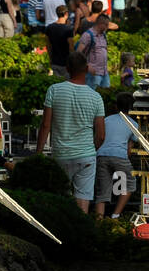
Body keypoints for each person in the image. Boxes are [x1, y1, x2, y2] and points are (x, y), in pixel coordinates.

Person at [36, 52, 105, 215]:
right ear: (87, 69)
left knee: (61, 201)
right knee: (82, 205)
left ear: (67, 69)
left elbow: (46, 125)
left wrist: (38, 153)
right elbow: (101, 135)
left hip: (61, 155)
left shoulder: (54, 90)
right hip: (86, 156)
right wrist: (91, 149)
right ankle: (81, 237)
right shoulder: (96, 98)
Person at [94, 93, 139, 219]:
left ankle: (99, 220)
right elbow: (128, 151)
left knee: (102, 191)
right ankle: (115, 215)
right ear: (132, 108)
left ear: (116, 106)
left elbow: (98, 137)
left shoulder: (106, 120)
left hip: (101, 156)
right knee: (129, 184)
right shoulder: (133, 124)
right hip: (120, 157)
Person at [76, 12, 112, 89]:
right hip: (93, 73)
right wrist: (87, 66)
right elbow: (78, 53)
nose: (107, 27)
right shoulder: (88, 35)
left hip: (104, 72)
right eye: (106, 25)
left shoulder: (103, 34)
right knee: (91, 94)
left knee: (107, 94)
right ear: (100, 24)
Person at [44, 5, 75, 79]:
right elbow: (71, 47)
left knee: (56, 83)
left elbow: (48, 45)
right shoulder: (68, 29)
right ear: (66, 14)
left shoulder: (49, 28)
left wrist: (50, 58)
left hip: (55, 61)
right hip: (66, 63)